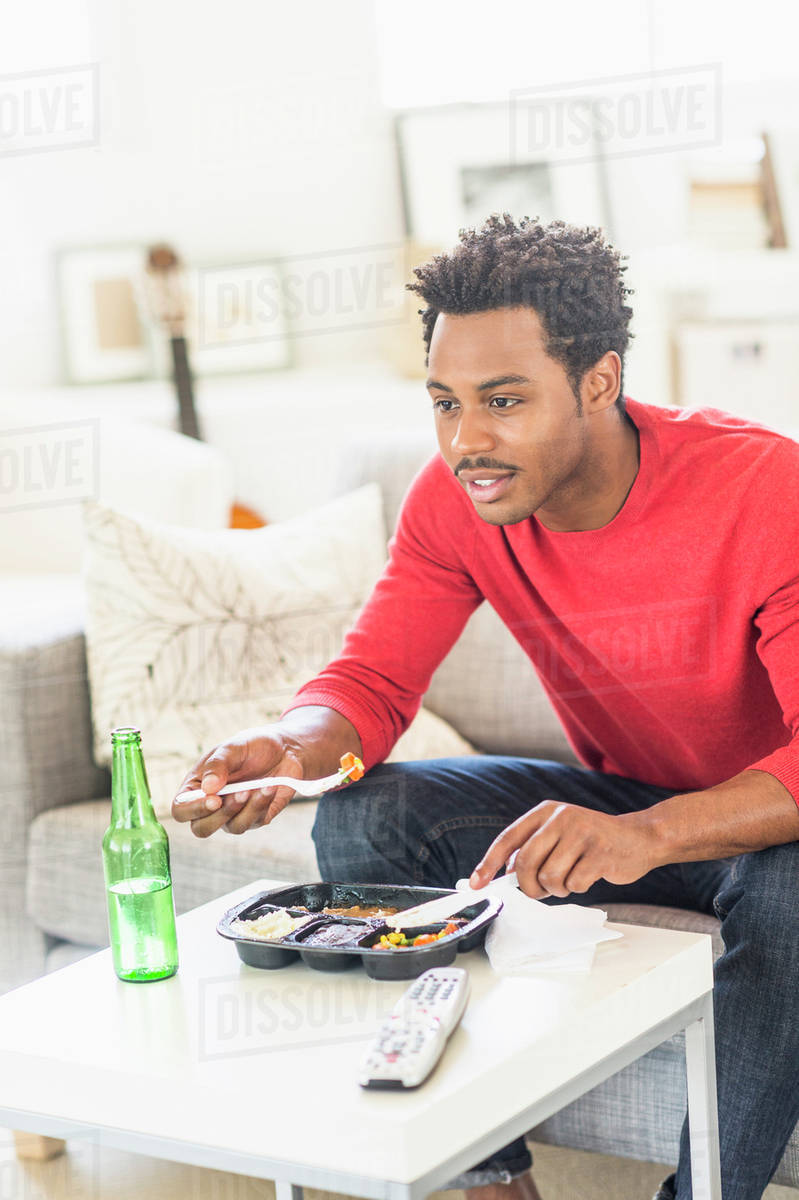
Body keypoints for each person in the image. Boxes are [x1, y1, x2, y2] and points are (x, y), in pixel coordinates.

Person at [173, 214, 799, 1200]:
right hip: (629, 799)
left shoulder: (762, 487)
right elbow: (371, 684)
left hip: (770, 821)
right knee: (366, 810)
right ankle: (487, 1179)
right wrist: (292, 748)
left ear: (599, 380)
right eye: (444, 403)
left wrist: (642, 835)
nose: (468, 440)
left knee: (793, 893)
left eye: (503, 400)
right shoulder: (457, 499)